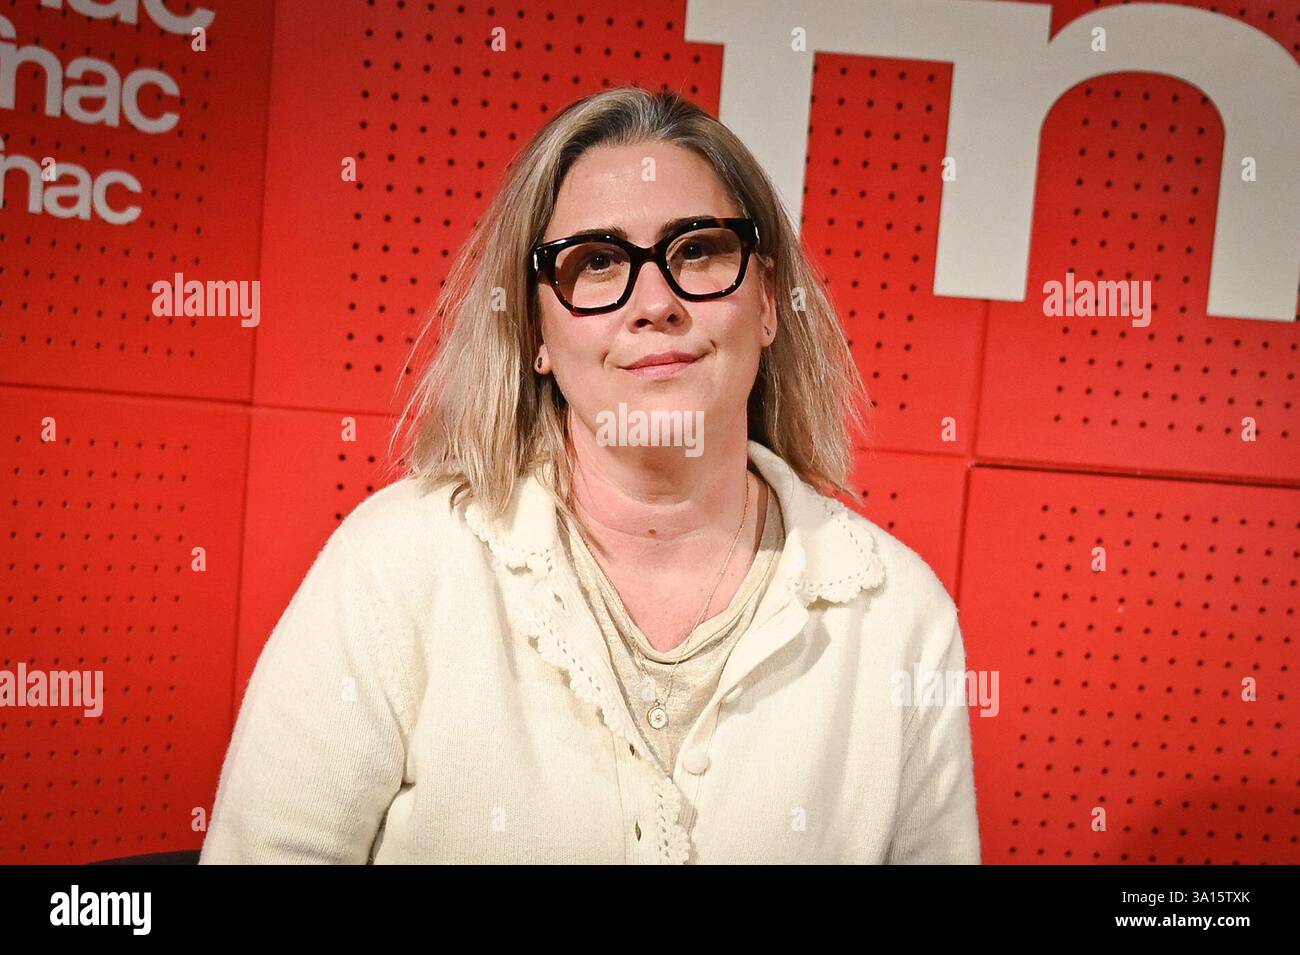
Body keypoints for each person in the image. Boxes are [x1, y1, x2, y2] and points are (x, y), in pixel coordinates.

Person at [199, 84, 981, 864]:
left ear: (768, 301)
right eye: (598, 262)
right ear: (537, 329)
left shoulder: (901, 618)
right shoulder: (399, 562)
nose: (654, 302)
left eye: (698, 249)